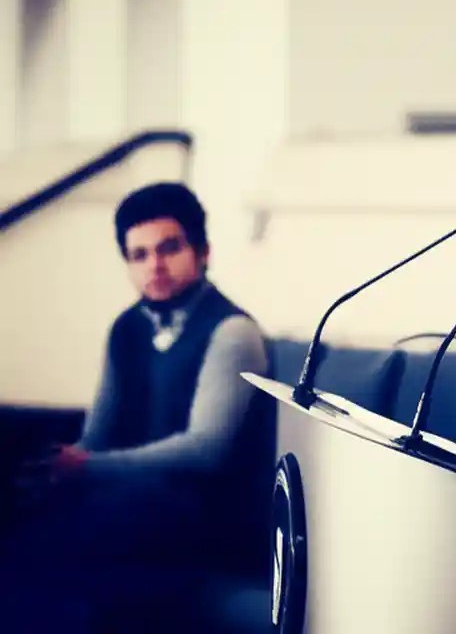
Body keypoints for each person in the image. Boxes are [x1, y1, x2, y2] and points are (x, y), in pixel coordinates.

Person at [0, 182, 273, 630]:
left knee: (67, 537)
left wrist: (84, 468)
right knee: (29, 518)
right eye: (139, 255)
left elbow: (205, 450)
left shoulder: (231, 332)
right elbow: (98, 435)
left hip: (202, 510)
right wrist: (61, 470)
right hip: (137, 500)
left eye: (169, 248)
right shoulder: (126, 328)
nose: (156, 266)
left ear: (203, 251)